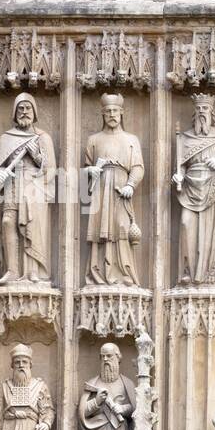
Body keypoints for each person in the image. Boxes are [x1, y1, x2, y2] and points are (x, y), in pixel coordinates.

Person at [0, 92, 56, 284]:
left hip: (34, 186)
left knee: (31, 225)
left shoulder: (42, 137)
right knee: (7, 221)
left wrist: (36, 155)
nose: (24, 112)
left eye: (28, 108)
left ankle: (32, 271)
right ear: (15, 112)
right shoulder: (7, 138)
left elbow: (51, 168)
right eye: (20, 108)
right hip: (13, 183)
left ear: (34, 111)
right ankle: (12, 270)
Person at [173, 92, 215, 286]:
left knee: (211, 230)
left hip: (213, 188)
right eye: (198, 108)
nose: (201, 112)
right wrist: (178, 175)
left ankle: (213, 271)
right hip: (190, 186)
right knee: (186, 224)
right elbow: (180, 164)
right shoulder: (185, 138)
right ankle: (189, 271)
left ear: (211, 112)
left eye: (205, 108)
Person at [84, 92, 143, 286]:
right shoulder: (93, 139)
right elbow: (85, 168)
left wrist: (130, 185)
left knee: (122, 226)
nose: (111, 114)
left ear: (122, 113)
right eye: (108, 111)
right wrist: (91, 170)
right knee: (101, 230)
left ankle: (124, 274)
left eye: (115, 110)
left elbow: (138, 167)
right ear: (102, 114)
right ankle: (99, 272)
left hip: (120, 188)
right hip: (100, 189)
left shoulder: (131, 139)